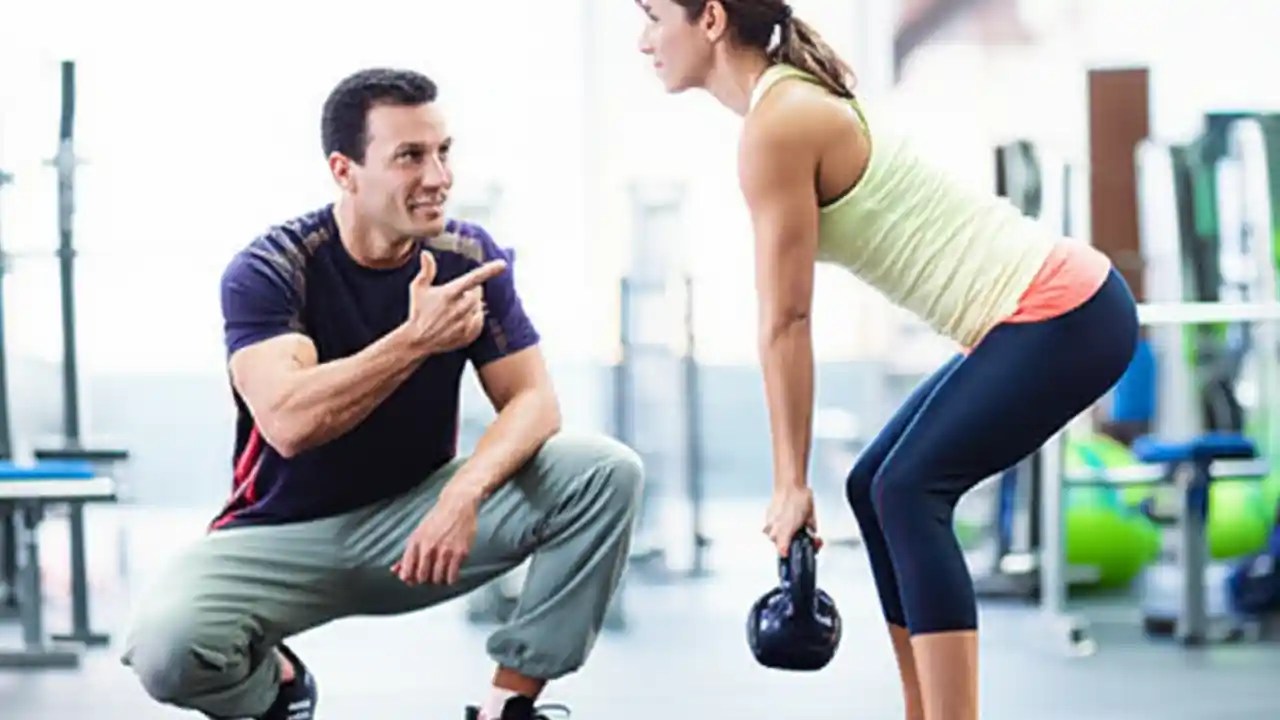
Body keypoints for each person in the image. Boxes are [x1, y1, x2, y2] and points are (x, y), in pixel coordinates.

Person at [635, 2, 1138, 719]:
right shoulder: (782, 103)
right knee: (876, 485)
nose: (644, 39)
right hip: (1045, 316)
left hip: (1064, 314)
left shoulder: (779, 122)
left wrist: (788, 485)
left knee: (910, 489)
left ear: (710, 18)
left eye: (655, 15)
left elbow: (786, 320)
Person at [120, 67, 644, 720]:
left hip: (417, 522)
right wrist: (415, 340)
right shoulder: (272, 268)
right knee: (165, 649)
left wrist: (462, 493)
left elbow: (535, 400)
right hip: (283, 534)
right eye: (409, 157)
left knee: (603, 471)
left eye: (443, 151)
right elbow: (289, 421)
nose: (438, 177)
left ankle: (508, 707)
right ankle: (277, 687)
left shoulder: (465, 255)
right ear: (345, 171)